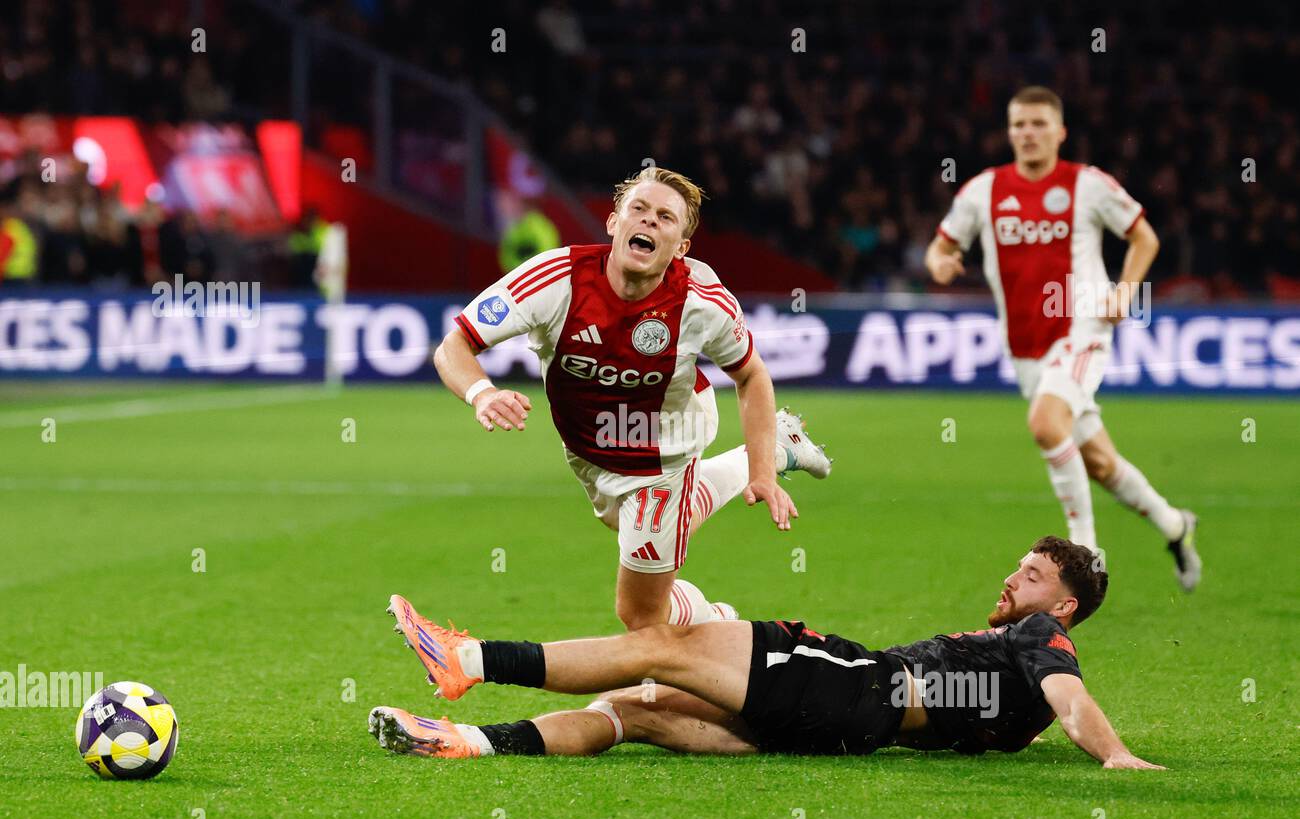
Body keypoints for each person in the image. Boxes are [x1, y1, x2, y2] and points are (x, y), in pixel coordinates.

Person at [369, 535, 1165, 770]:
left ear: (1062, 606)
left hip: (854, 686)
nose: (1009, 576)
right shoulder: (1009, 686)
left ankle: (467, 660)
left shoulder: (1039, 638)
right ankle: (465, 741)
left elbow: (1070, 697)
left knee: (662, 646)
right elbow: (1012, 709)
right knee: (639, 713)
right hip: (851, 729)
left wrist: (1115, 754)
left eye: (1029, 576)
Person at [432, 166, 831, 631]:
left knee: (640, 615)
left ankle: (722, 626)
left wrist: (763, 477)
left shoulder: (702, 304)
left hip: (667, 449)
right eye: (638, 209)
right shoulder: (554, 279)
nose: (648, 221)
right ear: (613, 223)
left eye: (665, 217)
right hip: (589, 449)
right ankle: (780, 444)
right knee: (633, 549)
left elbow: (752, 376)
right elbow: (453, 346)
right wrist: (481, 393)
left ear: (681, 247)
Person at [925, 86, 1200, 591]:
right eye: (1018, 125)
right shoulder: (984, 191)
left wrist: (1126, 290)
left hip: (1082, 328)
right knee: (1097, 461)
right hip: (1025, 347)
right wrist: (941, 262)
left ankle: (1087, 555)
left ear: (1060, 132)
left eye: (1038, 124)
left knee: (1046, 424)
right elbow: (940, 247)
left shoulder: (1088, 184)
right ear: (1009, 132)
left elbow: (1145, 237)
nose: (1027, 134)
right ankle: (1175, 525)